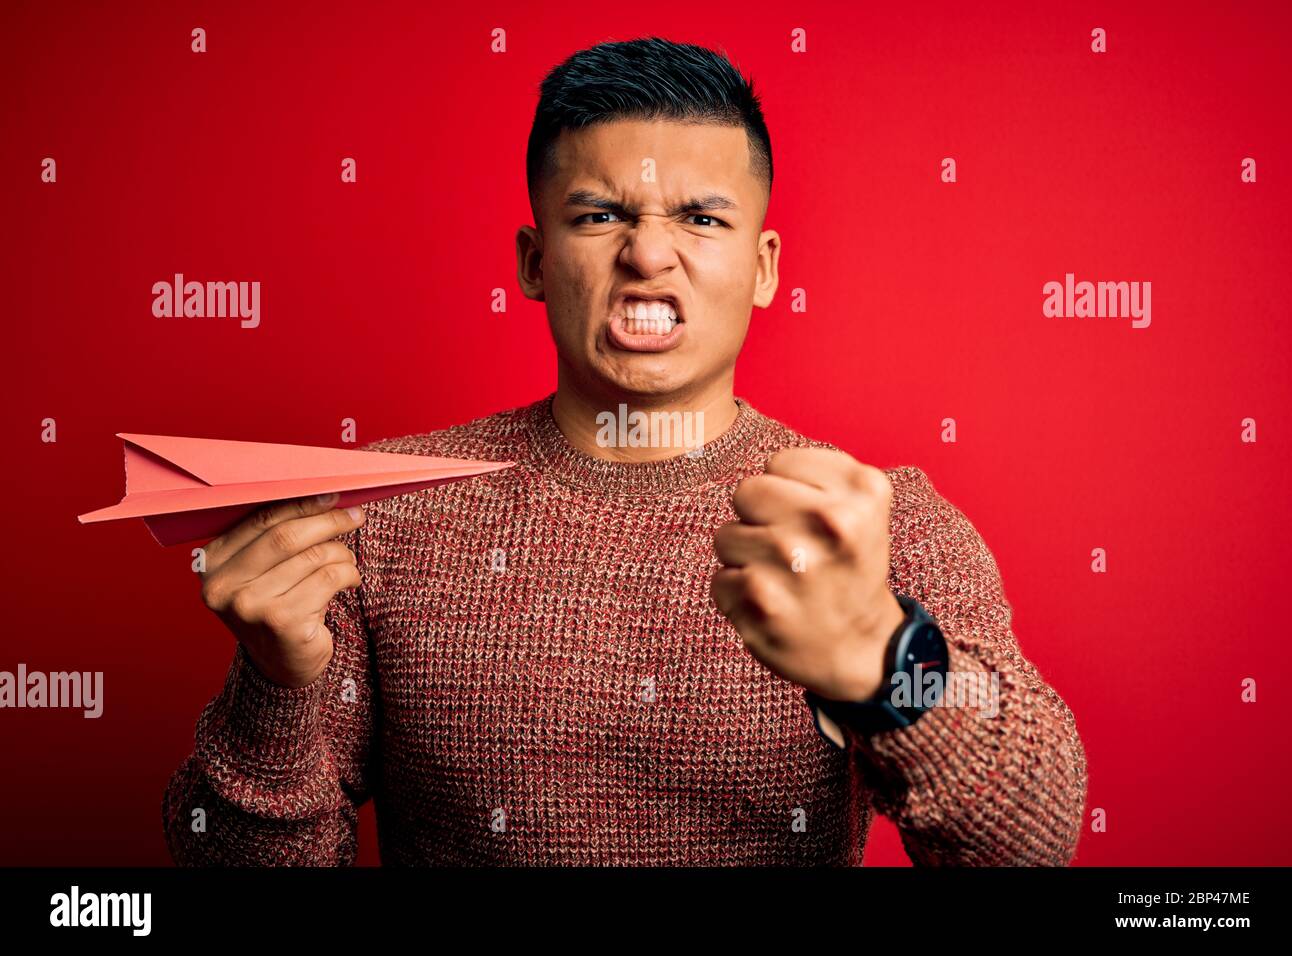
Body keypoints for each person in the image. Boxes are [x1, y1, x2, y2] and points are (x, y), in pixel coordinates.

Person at [162, 36, 1087, 866]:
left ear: (763, 268)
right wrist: (273, 688)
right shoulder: (386, 512)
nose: (649, 255)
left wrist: (888, 663)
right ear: (532, 260)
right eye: (600, 215)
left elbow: (1033, 841)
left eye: (702, 219)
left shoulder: (869, 522)